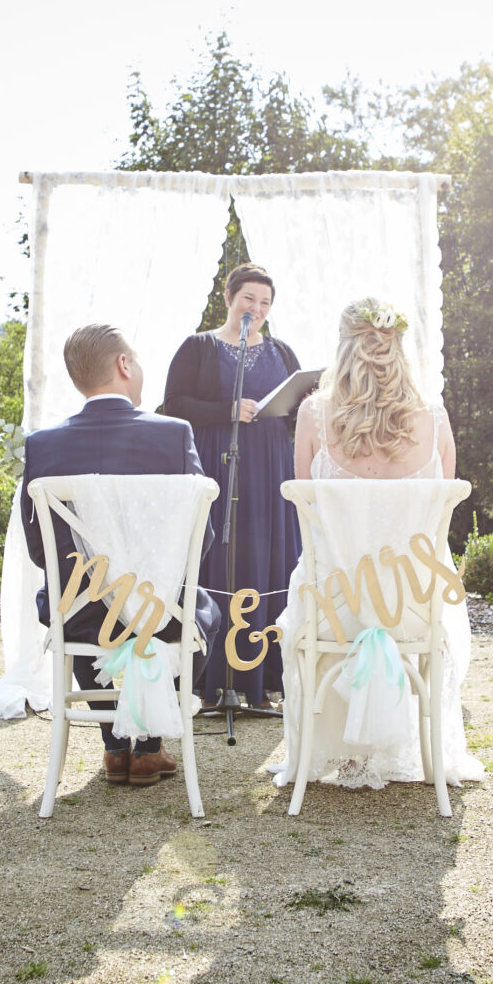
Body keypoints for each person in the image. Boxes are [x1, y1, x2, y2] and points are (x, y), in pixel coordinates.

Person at [271, 295, 486, 792]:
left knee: (326, 580)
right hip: (413, 605)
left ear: (345, 349)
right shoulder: (434, 419)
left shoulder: (312, 418)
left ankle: (338, 750)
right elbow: (437, 528)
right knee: (402, 578)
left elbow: (314, 521)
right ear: (399, 349)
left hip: (334, 605)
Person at [20, 323, 222, 786]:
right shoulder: (173, 434)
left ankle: (114, 745)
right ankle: (149, 746)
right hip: (160, 610)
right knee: (204, 613)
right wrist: (148, 584)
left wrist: (101, 585)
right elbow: (201, 538)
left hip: (81, 612)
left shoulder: (43, 445)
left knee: (70, 604)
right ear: (123, 364)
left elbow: (40, 550)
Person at [163, 263, 301, 708]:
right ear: (228, 298)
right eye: (249, 300)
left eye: (264, 303)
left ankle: (264, 683)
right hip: (218, 466)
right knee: (218, 558)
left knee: (268, 559)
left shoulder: (282, 350)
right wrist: (226, 410)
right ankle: (211, 681)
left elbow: (303, 406)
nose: (256, 310)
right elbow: (173, 405)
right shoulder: (196, 347)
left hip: (271, 469)